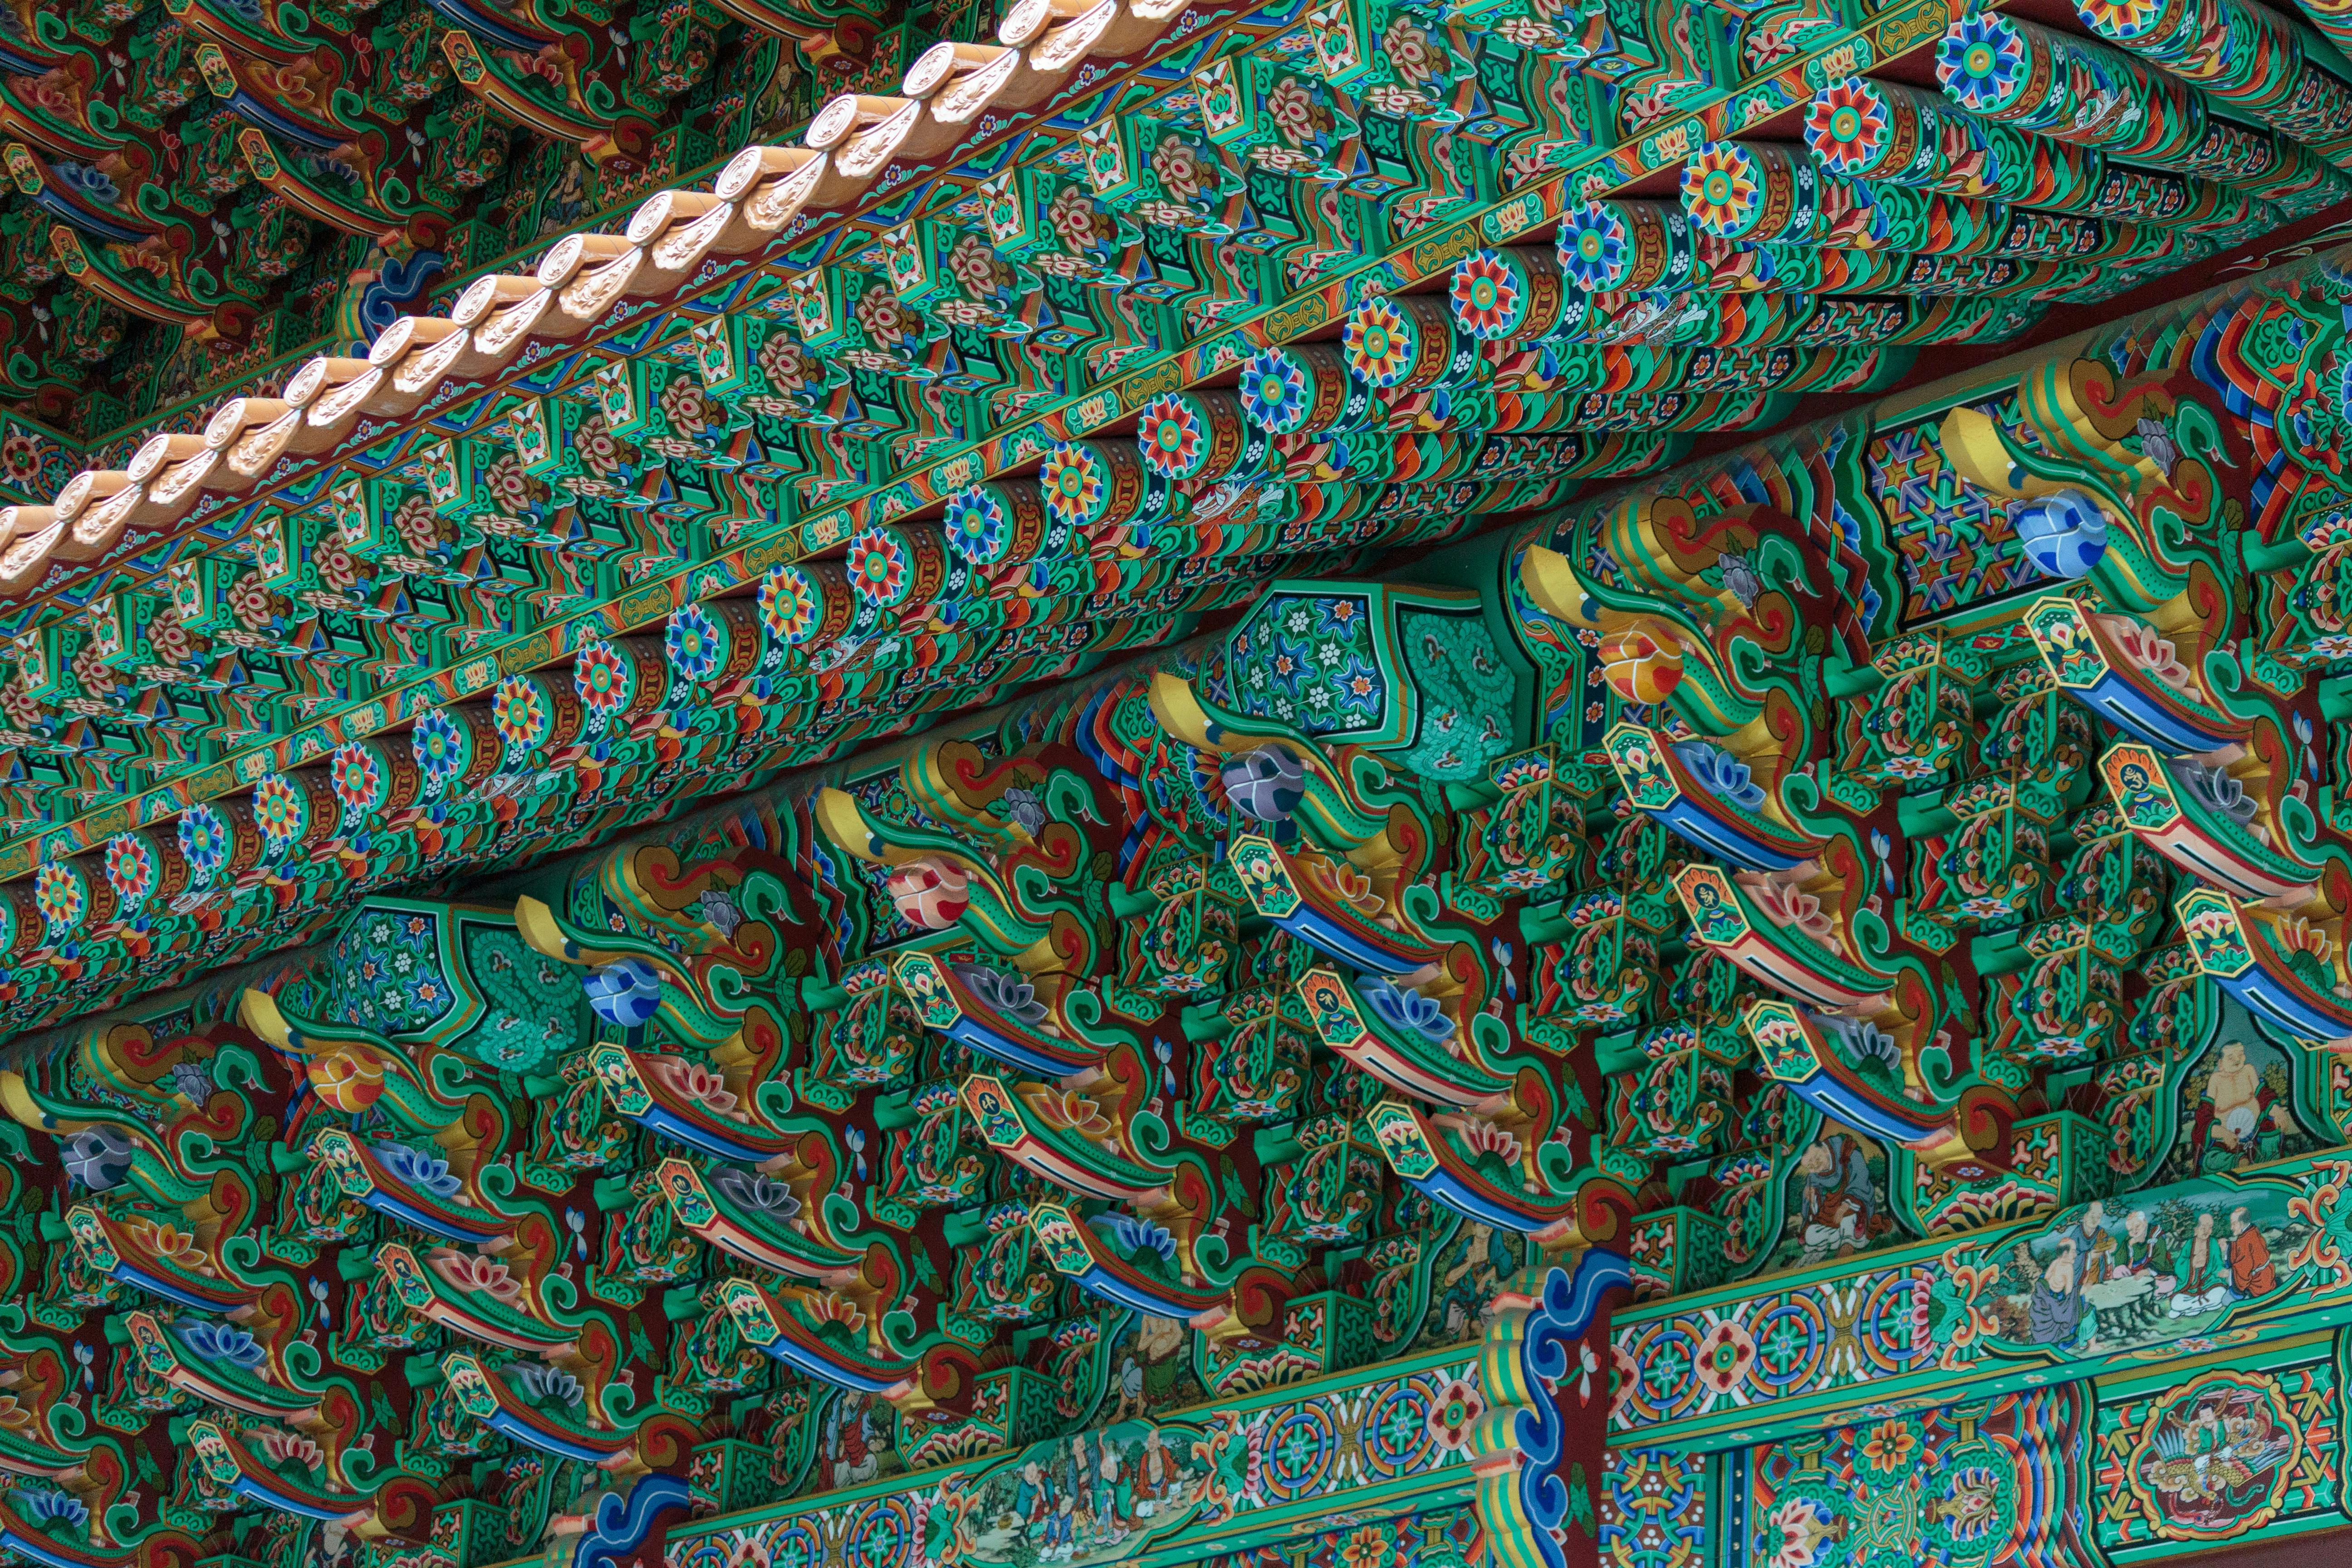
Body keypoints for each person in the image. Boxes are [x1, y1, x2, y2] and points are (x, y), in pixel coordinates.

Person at [2169, 1211, 2233, 1316]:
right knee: (2176, 1302)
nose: (2206, 1231)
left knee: (2220, 1292)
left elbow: (2218, 1264)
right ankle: (2203, 1306)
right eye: (2203, 1227)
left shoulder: (2213, 1243)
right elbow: (2179, 1266)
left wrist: (2221, 1272)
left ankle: (2190, 1310)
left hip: (2209, 1284)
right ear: (2196, 1229)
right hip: (2189, 1288)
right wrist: (2192, 1263)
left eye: (2210, 1228)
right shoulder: (2189, 1244)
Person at [2228, 1205, 2276, 1296]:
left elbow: (2244, 1271)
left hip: (2259, 1284)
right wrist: (2230, 1246)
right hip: (2268, 1275)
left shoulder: (2244, 1241)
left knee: (2226, 1300)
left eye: (2234, 1224)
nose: (2232, 1228)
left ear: (2241, 1224)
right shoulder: (2253, 1231)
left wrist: (2230, 1273)